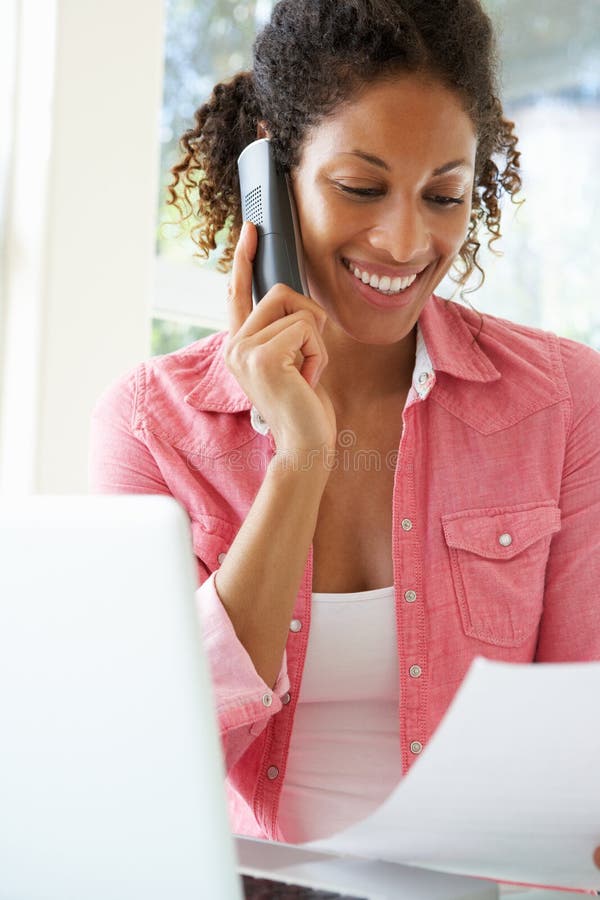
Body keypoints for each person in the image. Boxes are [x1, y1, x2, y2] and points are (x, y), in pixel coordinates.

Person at [89, 0, 600, 847]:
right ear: (272, 176)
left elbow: (584, 739)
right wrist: (301, 458)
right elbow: (154, 758)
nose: (405, 240)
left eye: (444, 195)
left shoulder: (565, 404)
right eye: (360, 188)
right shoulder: (152, 429)